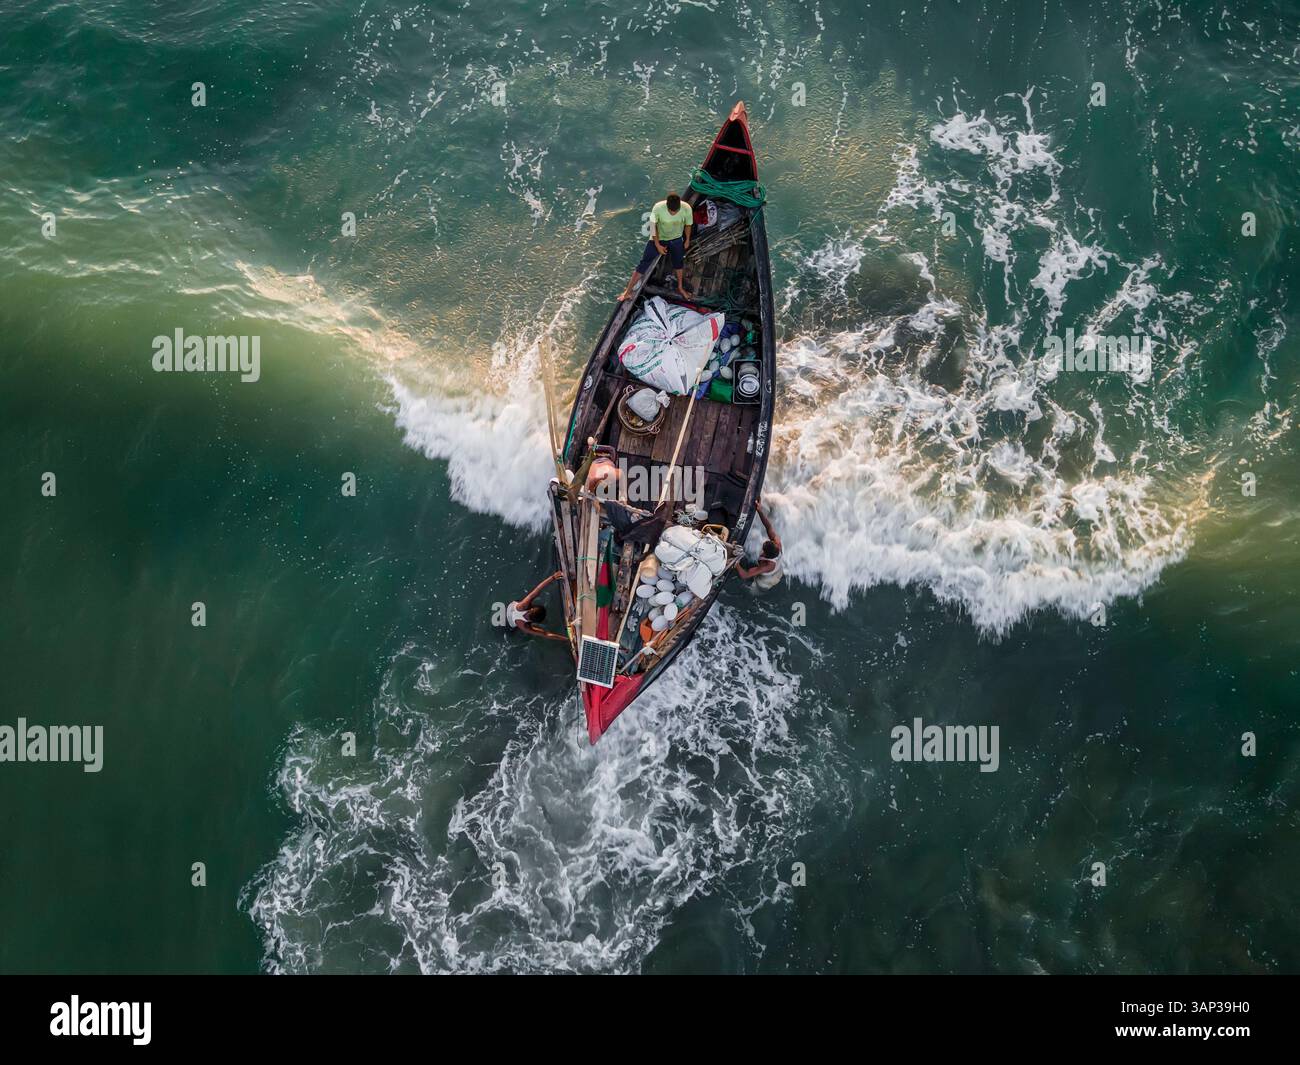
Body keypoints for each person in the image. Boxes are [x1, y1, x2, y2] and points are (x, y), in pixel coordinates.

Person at [618, 191, 693, 301]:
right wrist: (657, 245)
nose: (673, 213)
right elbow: (653, 227)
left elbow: (688, 225)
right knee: (643, 264)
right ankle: (627, 292)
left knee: (678, 263)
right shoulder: (658, 208)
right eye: (670, 211)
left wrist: (687, 240)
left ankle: (680, 288)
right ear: (666, 205)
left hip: (676, 239)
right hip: (658, 238)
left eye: (675, 211)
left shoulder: (686, 208)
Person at [506, 571, 568, 641]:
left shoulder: (523, 606)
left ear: (531, 609)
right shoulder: (525, 627)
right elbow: (545, 634)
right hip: (510, 622)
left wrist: (553, 577)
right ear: (534, 622)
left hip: (507, 609)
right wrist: (566, 639)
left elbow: (538, 589)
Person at [736, 499, 783, 590]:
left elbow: (744, 575)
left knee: (753, 580)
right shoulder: (777, 542)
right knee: (753, 570)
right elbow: (768, 526)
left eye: (763, 547)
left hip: (768, 579)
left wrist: (735, 563)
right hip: (776, 565)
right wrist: (759, 511)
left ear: (765, 554)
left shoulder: (767, 565)